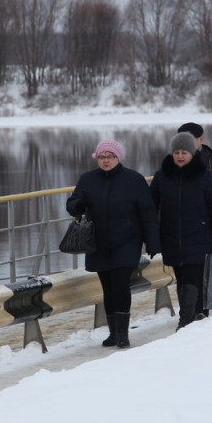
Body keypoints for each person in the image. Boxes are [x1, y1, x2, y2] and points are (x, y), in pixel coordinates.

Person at [66, 139, 161, 349]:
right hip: (97, 242)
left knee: (120, 284)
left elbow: (147, 212)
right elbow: (71, 205)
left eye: (111, 156)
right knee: (107, 288)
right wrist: (80, 204)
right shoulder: (88, 180)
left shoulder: (133, 180)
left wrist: (153, 242)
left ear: (118, 158)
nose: (106, 160)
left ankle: (123, 334)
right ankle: (112, 333)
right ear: (97, 158)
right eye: (102, 156)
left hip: (127, 241)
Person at [150, 131, 212, 329]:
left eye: (184, 151)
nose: (180, 156)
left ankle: (185, 321)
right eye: (176, 152)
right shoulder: (162, 177)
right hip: (172, 238)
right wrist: (153, 235)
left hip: (199, 236)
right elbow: (151, 206)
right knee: (182, 279)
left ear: (192, 153)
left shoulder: (204, 176)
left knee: (193, 278)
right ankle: (197, 315)